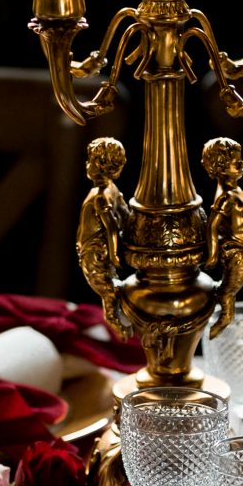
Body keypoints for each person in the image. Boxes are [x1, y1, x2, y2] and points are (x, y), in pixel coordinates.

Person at [200, 136, 243, 336]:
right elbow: (212, 225)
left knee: (229, 289)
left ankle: (218, 316)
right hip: (237, 252)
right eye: (234, 161)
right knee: (228, 291)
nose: (240, 163)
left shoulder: (236, 191)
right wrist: (213, 255)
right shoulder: (226, 196)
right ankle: (220, 320)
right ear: (220, 166)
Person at [76, 136, 134, 337]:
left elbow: (110, 225)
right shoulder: (112, 190)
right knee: (109, 291)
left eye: (90, 160)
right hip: (94, 251)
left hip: (95, 255)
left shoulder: (101, 195)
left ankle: (120, 330)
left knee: (107, 293)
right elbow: (126, 215)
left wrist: (113, 252)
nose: (86, 164)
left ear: (100, 165)